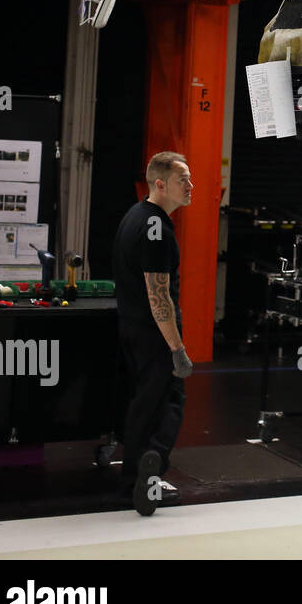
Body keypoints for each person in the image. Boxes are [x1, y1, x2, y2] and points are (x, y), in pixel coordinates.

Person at [112, 151, 195, 515]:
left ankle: (137, 474)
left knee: (145, 404)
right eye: (183, 180)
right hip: (153, 335)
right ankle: (147, 471)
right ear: (160, 184)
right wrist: (176, 347)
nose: (190, 187)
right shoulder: (157, 229)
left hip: (131, 328)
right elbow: (157, 294)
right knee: (170, 400)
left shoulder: (136, 215)